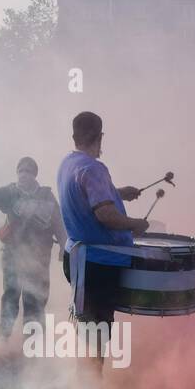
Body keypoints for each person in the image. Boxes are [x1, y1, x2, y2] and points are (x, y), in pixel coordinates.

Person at [56, 111, 149, 334]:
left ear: (74, 137)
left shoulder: (68, 162)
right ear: (100, 137)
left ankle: (87, 368)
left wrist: (118, 193)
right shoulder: (94, 168)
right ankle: (91, 369)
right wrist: (135, 224)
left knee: (88, 324)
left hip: (77, 258)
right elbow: (106, 216)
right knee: (98, 328)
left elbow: (83, 195)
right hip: (98, 264)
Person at [0, 157, 61, 339]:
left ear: (35, 175)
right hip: (13, 254)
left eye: (28, 171)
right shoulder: (9, 192)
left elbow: (58, 222)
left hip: (38, 257)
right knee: (11, 296)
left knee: (35, 301)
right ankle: (3, 339)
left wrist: (64, 245)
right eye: (21, 170)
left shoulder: (46, 195)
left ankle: (33, 344)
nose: (24, 174)